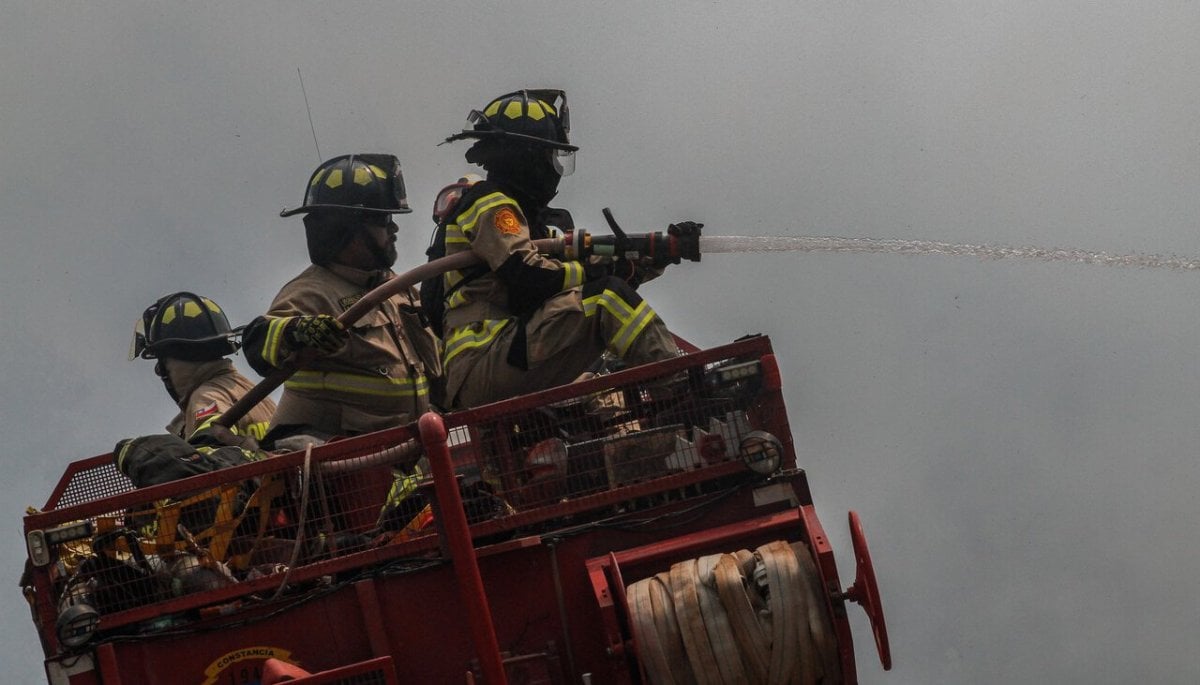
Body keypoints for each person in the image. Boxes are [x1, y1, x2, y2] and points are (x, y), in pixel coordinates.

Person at [435, 89, 691, 409]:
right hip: (484, 361)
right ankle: (681, 387)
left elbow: (581, 265)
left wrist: (653, 256)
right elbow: (526, 274)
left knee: (605, 309)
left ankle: (672, 387)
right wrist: (603, 273)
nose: (552, 169)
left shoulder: (531, 223)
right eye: (548, 157)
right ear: (524, 157)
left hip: (507, 354)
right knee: (606, 298)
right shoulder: (491, 204)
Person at [242, 153, 442, 445]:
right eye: (382, 219)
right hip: (342, 465)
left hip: (411, 454)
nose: (394, 229)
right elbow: (258, 343)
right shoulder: (312, 293)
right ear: (348, 231)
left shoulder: (399, 290)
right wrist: (298, 332)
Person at [130, 292, 276, 443]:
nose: (159, 371)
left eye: (163, 361)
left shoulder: (205, 397)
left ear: (179, 356)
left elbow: (213, 448)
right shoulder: (249, 390)